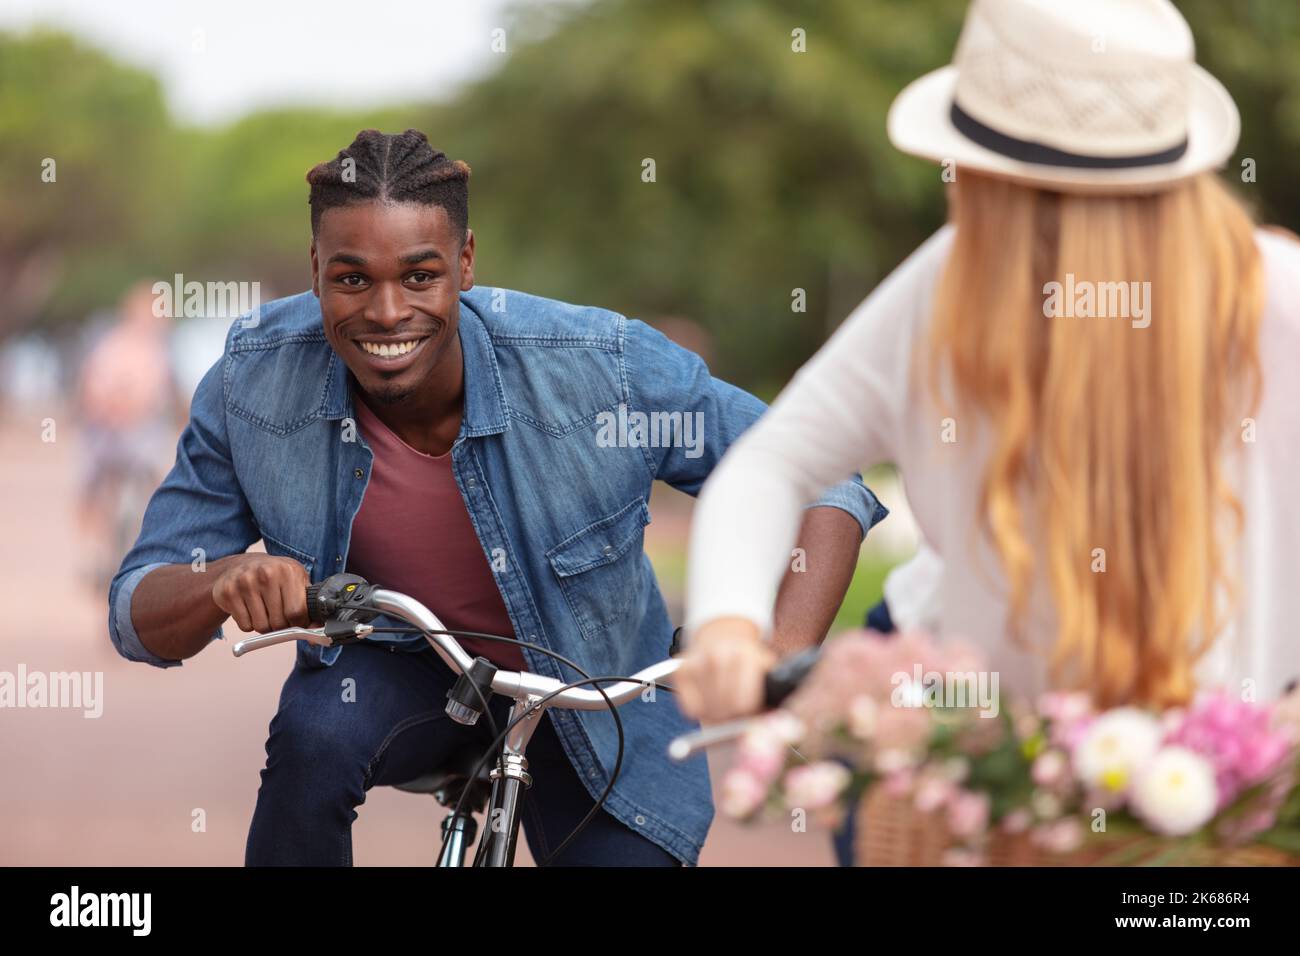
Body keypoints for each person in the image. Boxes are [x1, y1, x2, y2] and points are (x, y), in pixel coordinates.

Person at [107, 129, 886, 866]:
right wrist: (220, 582)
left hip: (592, 690)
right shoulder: (252, 378)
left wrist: (778, 652)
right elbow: (138, 606)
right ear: (315, 269)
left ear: (466, 261)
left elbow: (822, 476)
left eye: (419, 275)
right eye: (351, 279)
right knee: (314, 739)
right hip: (404, 667)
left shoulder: (598, 369)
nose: (385, 313)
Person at [677, 0, 1300, 725]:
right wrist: (726, 621)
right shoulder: (949, 283)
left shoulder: (1279, 300)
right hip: (984, 742)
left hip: (1212, 776)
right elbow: (773, 463)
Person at [76, 281, 182, 588]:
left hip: (135, 433)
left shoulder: (155, 350)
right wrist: (112, 410)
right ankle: (92, 548)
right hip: (111, 430)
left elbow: (157, 394)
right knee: (90, 484)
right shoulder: (113, 346)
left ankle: (143, 541)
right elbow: (93, 388)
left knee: (155, 482)